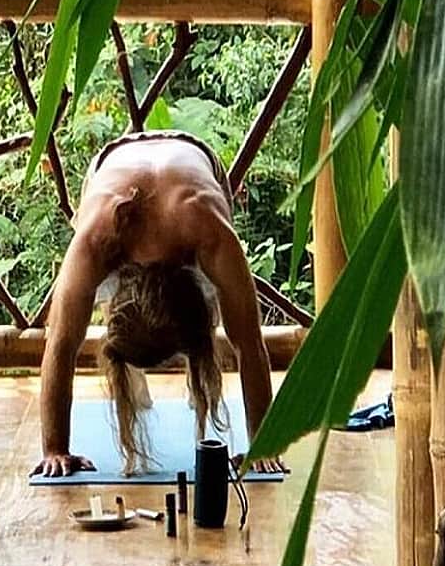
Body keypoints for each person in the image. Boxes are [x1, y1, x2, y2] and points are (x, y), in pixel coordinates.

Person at [30, 130, 285, 478]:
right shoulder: (96, 237)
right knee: (76, 311)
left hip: (195, 156)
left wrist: (264, 444)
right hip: (111, 167)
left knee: (223, 303)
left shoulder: (210, 231)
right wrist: (55, 448)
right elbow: (59, 341)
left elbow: (249, 341)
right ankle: (133, 385)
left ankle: (189, 385)